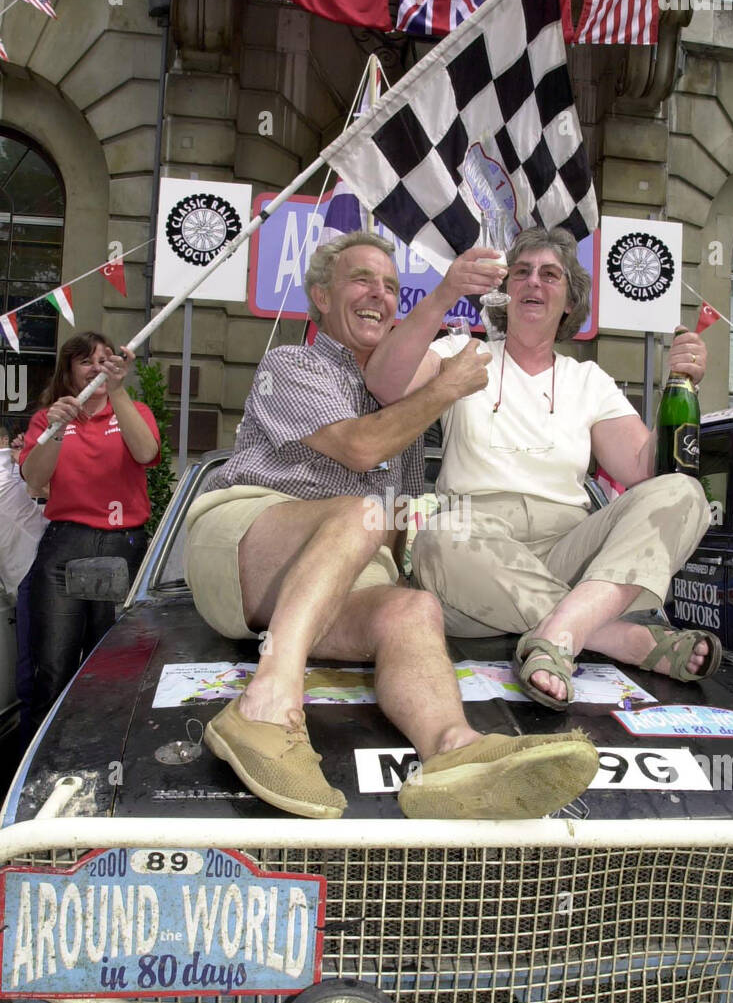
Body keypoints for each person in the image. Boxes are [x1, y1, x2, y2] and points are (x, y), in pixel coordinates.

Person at [184, 230, 598, 820]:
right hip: (246, 540)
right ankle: (267, 703)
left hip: (334, 573)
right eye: (361, 279)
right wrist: (447, 387)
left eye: (390, 287)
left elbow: (397, 518)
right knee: (363, 511)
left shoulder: (399, 389)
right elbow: (359, 449)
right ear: (321, 296)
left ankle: (455, 752)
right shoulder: (292, 364)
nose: (379, 294)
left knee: (414, 609)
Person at [363, 226, 718, 710]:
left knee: (683, 491)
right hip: (475, 554)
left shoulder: (588, 379)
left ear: (569, 301)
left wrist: (681, 383)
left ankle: (563, 630)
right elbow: (384, 383)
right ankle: (614, 638)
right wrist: (445, 291)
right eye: (522, 273)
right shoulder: (460, 353)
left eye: (550, 276)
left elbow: (642, 470)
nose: (534, 283)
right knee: (441, 534)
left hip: (570, 551)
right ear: (505, 291)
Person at [20, 333, 160, 729]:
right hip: (66, 545)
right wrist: (57, 428)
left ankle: (105, 758)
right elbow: (33, 478)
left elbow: (146, 453)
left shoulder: (134, 409)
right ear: (68, 371)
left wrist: (118, 394)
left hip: (123, 547)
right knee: (53, 666)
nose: (96, 367)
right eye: (85, 361)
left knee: (117, 669)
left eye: (104, 359)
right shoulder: (47, 417)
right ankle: (40, 765)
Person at [0, 420, 48, 748]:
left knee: (33, 674)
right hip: (36, 572)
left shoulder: (6, 474)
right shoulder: (12, 472)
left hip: (32, 576)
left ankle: (31, 758)